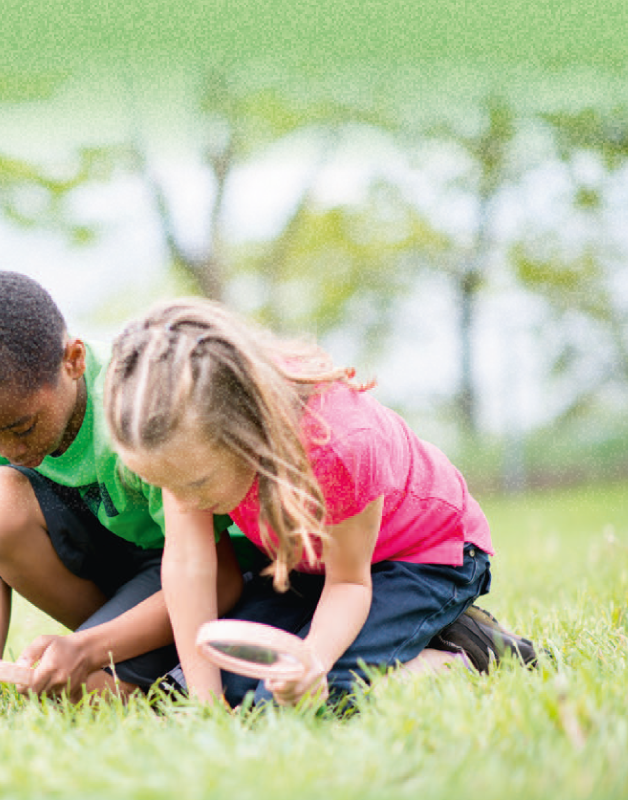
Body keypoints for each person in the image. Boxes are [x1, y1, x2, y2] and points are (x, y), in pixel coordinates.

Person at [103, 297, 539, 709]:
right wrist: (207, 702)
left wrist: (312, 661)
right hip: (317, 564)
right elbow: (188, 566)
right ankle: (410, 634)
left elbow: (350, 583)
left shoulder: (339, 446)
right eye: (164, 484)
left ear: (246, 436)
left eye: (195, 483)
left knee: (304, 699)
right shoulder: (181, 441)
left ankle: (469, 654)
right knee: (234, 685)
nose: (182, 501)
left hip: (424, 558)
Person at [0, 271, 228, 704]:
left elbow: (220, 576)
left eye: (23, 428)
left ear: (74, 360)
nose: (9, 451)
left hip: (207, 575)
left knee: (81, 693)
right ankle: (123, 654)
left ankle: (130, 660)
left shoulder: (140, 406)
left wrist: (85, 649)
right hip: (124, 572)